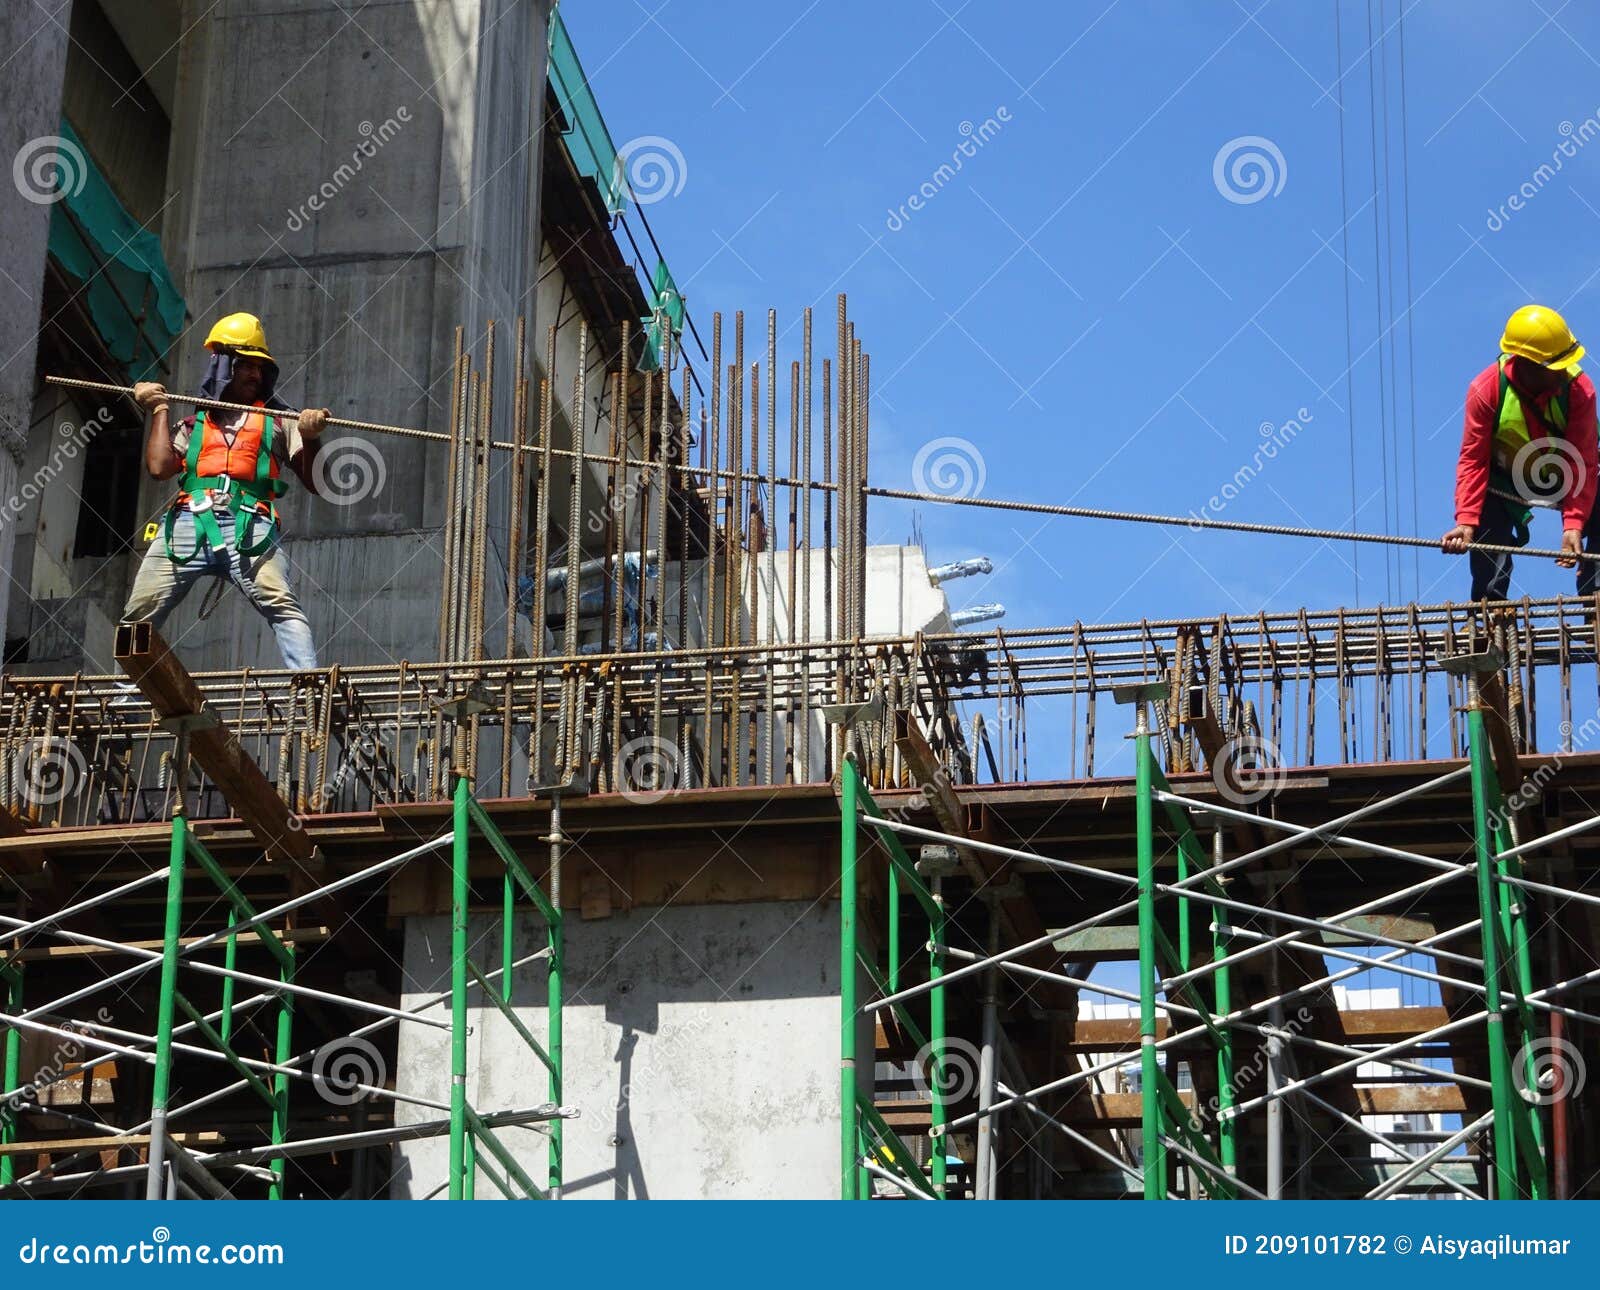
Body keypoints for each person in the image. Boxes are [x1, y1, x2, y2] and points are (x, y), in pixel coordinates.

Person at [121, 311, 329, 669]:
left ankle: (307, 682)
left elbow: (317, 482)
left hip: (250, 526)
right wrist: (159, 409)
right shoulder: (194, 425)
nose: (255, 374)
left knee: (281, 603)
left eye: (260, 368)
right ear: (223, 366)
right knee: (139, 612)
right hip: (188, 523)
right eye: (246, 365)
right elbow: (158, 468)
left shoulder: (279, 422)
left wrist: (310, 438)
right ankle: (123, 692)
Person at [1441, 305, 1599, 601]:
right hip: (1506, 479)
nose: (1564, 371)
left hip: (1567, 475)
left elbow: (1584, 461)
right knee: (1486, 517)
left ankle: (1596, 596)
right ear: (1527, 364)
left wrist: (1573, 524)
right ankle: (1491, 609)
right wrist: (1466, 521)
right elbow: (1473, 461)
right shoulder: (1487, 389)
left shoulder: (1580, 389)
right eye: (1555, 366)